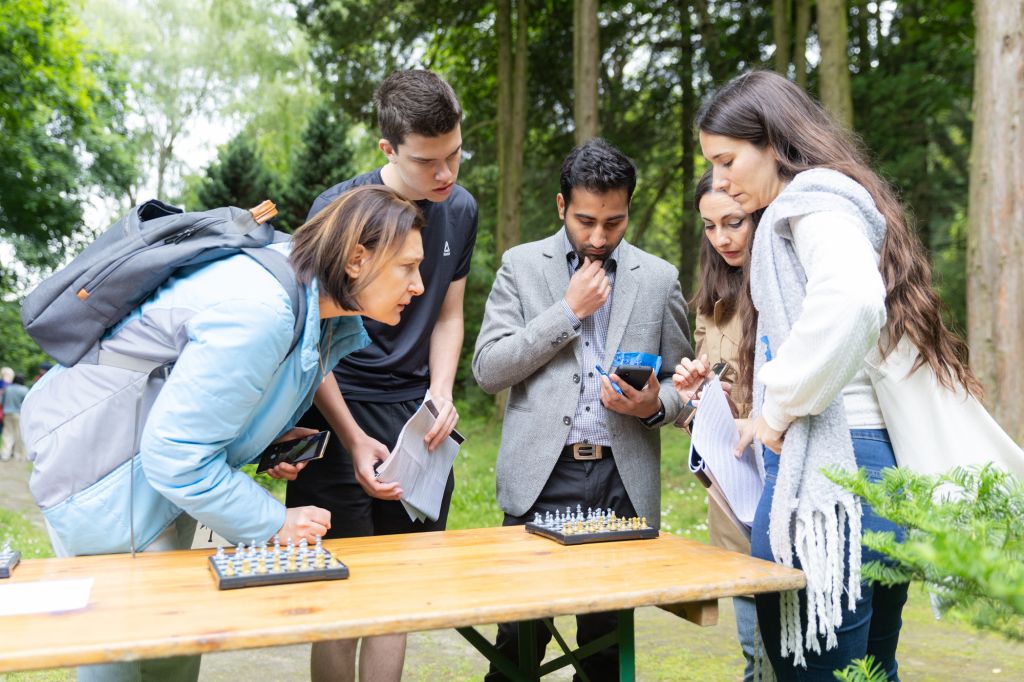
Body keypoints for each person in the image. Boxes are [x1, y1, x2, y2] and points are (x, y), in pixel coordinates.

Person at [21, 185, 426, 682]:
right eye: (408, 267)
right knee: (123, 658)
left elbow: (200, 404)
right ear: (358, 260)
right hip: (100, 475)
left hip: (149, 484)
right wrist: (276, 522)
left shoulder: (307, 304)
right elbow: (176, 456)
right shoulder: (262, 308)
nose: (420, 286)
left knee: (174, 648)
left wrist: (262, 439)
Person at [696, 70, 982, 680]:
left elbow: (852, 301)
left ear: (772, 142)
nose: (719, 181)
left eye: (726, 160)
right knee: (872, 671)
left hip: (829, 491)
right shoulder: (836, 201)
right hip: (878, 483)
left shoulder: (812, 200)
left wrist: (777, 409)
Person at [473, 138, 691, 681]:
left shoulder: (658, 278)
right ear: (560, 206)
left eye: (613, 223)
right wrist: (568, 312)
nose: (598, 238)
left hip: (623, 479)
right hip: (541, 478)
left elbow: (685, 383)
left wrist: (653, 404)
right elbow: (488, 369)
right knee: (517, 642)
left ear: (628, 211)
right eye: (585, 221)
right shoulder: (520, 267)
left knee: (605, 649)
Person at [285, 68, 477, 682]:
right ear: (388, 151)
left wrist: (441, 393)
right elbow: (310, 339)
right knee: (340, 595)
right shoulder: (339, 209)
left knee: (396, 598)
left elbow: (449, 311)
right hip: (338, 404)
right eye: (429, 162)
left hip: (415, 420)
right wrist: (345, 434)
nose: (446, 174)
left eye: (454, 154)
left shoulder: (461, 208)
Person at [671, 168, 758, 681]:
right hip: (734, 489)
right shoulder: (713, 303)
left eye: (734, 222)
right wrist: (699, 394)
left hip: (788, 480)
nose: (722, 238)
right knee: (755, 651)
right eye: (709, 226)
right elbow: (713, 401)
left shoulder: (793, 285)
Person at [0, 373, 28, 461]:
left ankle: (5, 454)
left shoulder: (7, 389)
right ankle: (18, 455)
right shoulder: (24, 390)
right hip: (19, 414)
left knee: (7, 434)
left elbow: (2, 401)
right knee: (19, 435)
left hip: (7, 413)